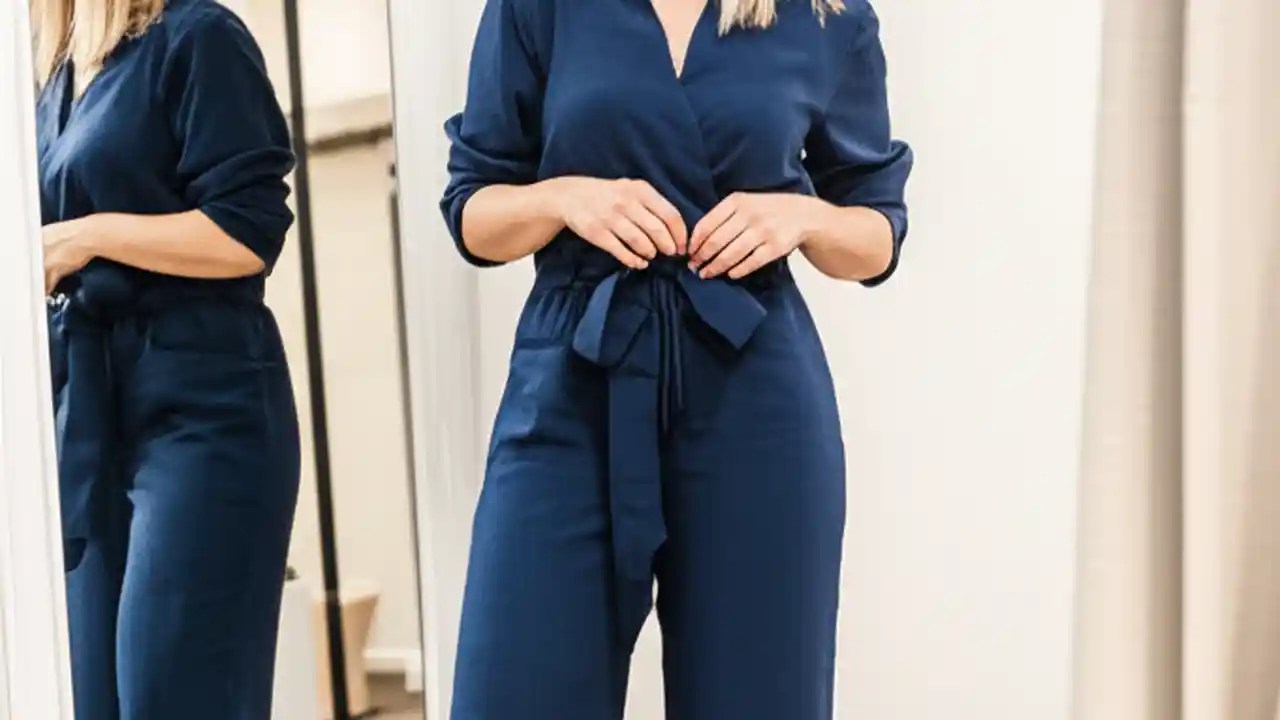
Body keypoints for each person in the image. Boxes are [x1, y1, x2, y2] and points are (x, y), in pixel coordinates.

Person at [441, 0, 913, 717]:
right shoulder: (540, 9)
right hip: (574, 377)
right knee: (513, 689)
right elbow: (473, 209)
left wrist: (804, 215)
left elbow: (876, 233)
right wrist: (565, 199)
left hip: (754, 390)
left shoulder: (824, 15)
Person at [32, 0, 300, 716]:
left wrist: (85, 237)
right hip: (91, 414)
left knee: (172, 695)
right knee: (90, 698)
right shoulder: (54, 77)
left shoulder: (199, 37)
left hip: (205, 410)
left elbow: (248, 232)